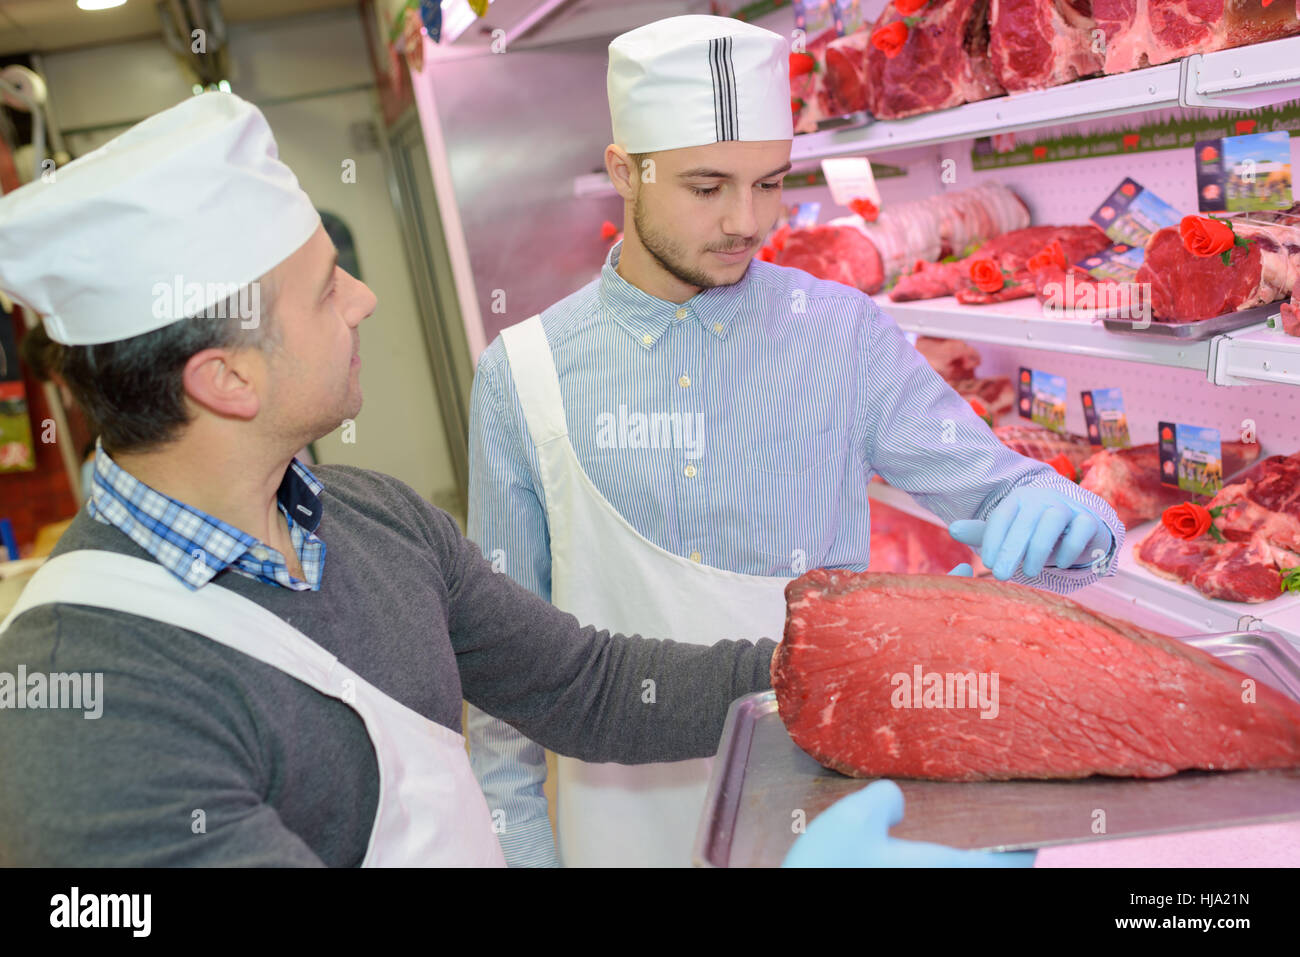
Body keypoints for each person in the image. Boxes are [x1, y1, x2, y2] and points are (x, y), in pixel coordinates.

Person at [0, 91, 775, 866]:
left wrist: (811, 675)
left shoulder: (375, 517)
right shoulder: (85, 709)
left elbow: (584, 685)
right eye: (327, 288)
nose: (363, 300)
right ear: (227, 378)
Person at [466, 14, 1125, 868]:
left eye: (770, 183)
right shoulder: (521, 375)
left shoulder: (839, 334)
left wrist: (1066, 515)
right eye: (708, 187)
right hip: (624, 824)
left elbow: (1015, 504)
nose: (748, 221)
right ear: (625, 172)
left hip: (834, 813)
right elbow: (504, 677)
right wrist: (520, 847)